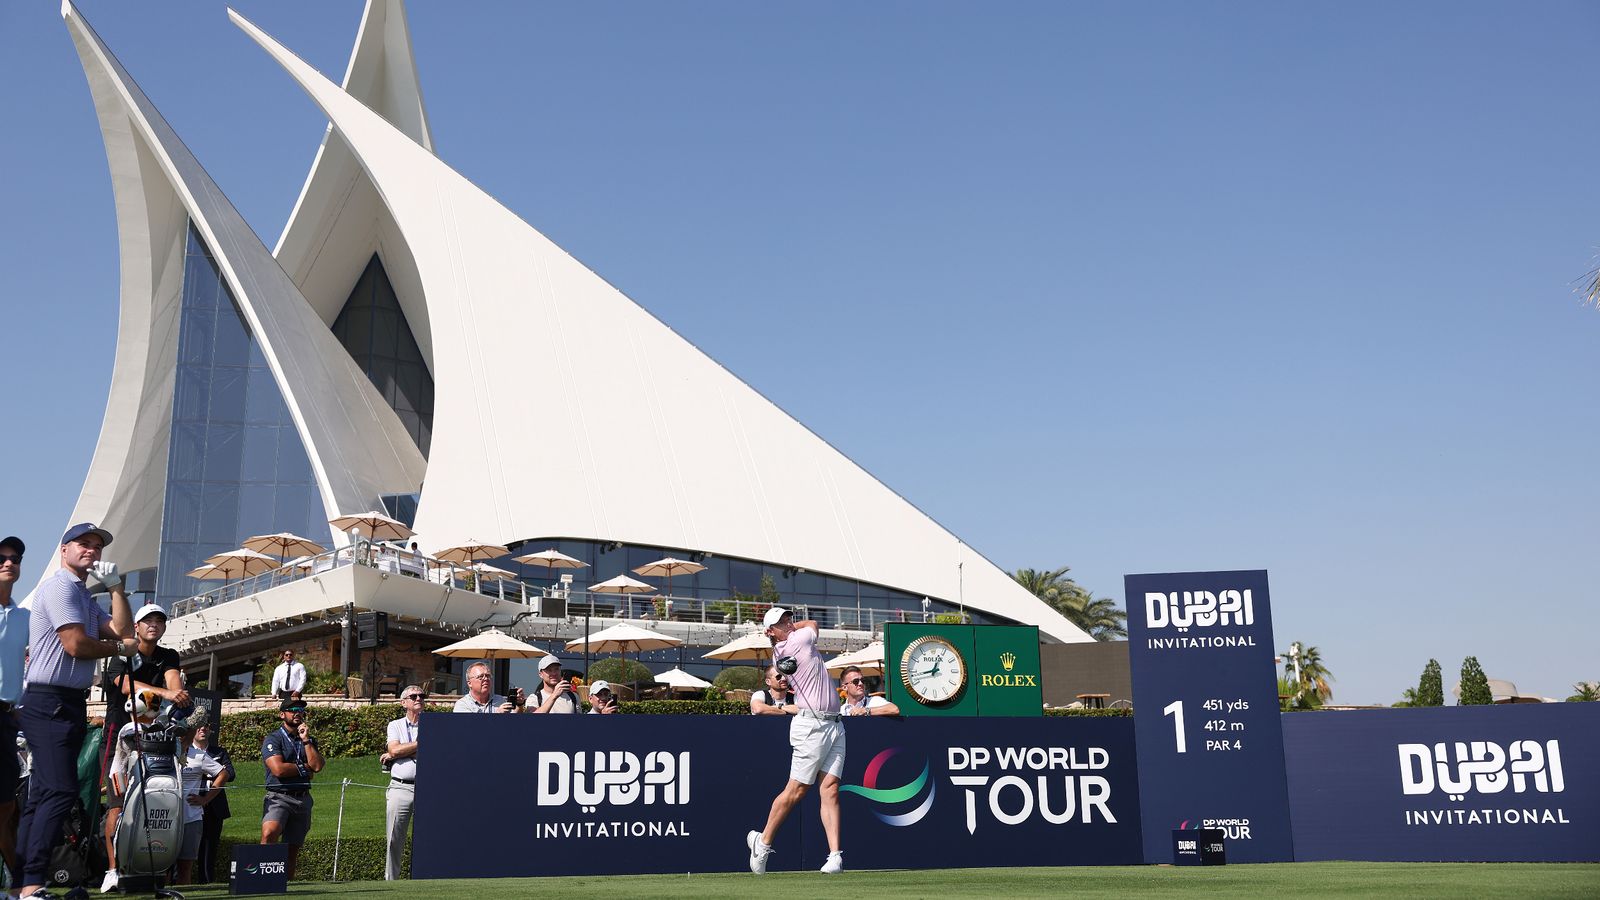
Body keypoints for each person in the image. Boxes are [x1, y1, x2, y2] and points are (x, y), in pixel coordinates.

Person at [16, 523, 134, 899]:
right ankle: (32, 882)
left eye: (96, 546)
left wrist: (116, 587)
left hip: (66, 701)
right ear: (64, 549)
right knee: (61, 790)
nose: (92, 551)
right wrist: (118, 650)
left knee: (42, 796)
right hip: (47, 698)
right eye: (84, 543)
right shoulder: (60, 587)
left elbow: (120, 627)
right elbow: (76, 644)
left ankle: (22, 884)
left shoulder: (83, 595)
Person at [746, 607, 845, 875]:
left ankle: (835, 856)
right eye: (782, 622)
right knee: (797, 791)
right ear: (770, 631)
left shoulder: (783, 647)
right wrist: (796, 627)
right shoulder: (798, 640)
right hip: (811, 726)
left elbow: (802, 627)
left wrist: (787, 628)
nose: (789, 623)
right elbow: (813, 622)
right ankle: (763, 841)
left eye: (789, 618)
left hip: (834, 723)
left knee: (831, 788)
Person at [99, 602, 188, 893]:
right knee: (117, 804)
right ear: (135, 626)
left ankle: (147, 869)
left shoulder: (168, 655)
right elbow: (125, 685)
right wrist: (166, 693)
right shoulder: (121, 651)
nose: (153, 624)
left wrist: (176, 692)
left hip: (152, 741)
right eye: (147, 620)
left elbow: (174, 680)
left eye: (159, 621)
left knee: (153, 803)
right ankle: (112, 870)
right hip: (117, 741)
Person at [260, 698, 323, 878]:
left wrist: (306, 741)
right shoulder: (274, 738)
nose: (297, 713)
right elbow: (278, 769)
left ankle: (287, 886)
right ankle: (261, 878)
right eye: (292, 709)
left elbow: (317, 766)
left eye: (301, 710)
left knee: (292, 848)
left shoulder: (308, 739)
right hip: (278, 797)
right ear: (282, 714)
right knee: (269, 834)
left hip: (302, 798)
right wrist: (305, 768)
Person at [0, 535, 29, 889]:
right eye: (2, 558)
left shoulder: (25, 616)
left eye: (15, 558)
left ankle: (18, 883)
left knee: (6, 806)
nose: (9, 562)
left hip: (7, 718)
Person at [173, 707, 227, 885]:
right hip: (167, 818)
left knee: (185, 867)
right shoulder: (168, 753)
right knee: (163, 867)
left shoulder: (199, 756)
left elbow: (223, 774)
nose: (184, 736)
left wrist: (205, 799)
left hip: (191, 817)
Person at [381, 684, 423, 880]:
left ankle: (425, 877)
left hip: (428, 788)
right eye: (413, 696)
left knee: (428, 836)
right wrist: (422, 744)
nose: (418, 699)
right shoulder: (395, 725)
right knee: (394, 839)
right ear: (403, 702)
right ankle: (391, 881)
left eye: (422, 696)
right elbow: (394, 751)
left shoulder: (432, 724)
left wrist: (401, 751)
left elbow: (397, 751)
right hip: (401, 787)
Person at [191, 721, 233, 885]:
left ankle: (207, 883)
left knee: (209, 848)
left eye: (206, 725)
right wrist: (213, 772)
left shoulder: (219, 751)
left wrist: (202, 772)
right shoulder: (186, 752)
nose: (203, 728)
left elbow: (230, 773)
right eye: (199, 725)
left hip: (214, 806)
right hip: (191, 804)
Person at [451, 661, 522, 713]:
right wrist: (497, 715)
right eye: (480, 676)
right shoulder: (463, 704)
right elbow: (470, 727)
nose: (486, 679)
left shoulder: (500, 701)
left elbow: (515, 721)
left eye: (488, 676)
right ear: (469, 683)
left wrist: (519, 704)